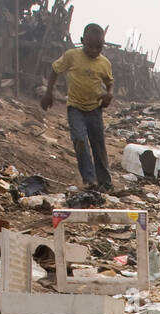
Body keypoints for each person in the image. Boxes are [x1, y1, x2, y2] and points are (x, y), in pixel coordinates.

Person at [41, 22, 114, 192]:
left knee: (98, 145)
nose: (95, 51)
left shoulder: (104, 63)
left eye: (99, 47)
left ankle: (105, 183)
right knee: (80, 140)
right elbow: (54, 70)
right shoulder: (71, 56)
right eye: (91, 47)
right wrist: (48, 92)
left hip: (95, 109)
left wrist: (109, 94)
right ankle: (89, 180)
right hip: (75, 108)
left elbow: (109, 82)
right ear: (82, 41)